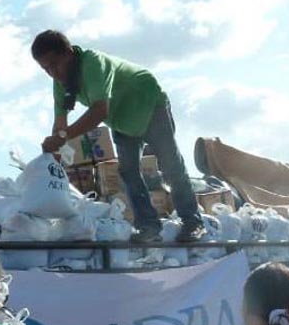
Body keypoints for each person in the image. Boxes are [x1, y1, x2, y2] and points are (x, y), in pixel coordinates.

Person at [31, 30, 205, 244]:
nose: (53, 73)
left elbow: (99, 111)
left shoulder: (92, 64)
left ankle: (193, 222)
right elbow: (60, 123)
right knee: (128, 171)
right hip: (122, 120)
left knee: (171, 165)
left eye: (55, 64)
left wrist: (63, 137)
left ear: (68, 53)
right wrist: (52, 160)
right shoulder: (60, 84)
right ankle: (148, 227)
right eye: (46, 69)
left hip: (149, 104)